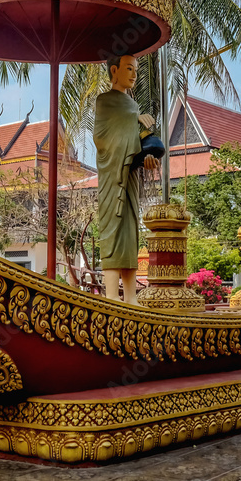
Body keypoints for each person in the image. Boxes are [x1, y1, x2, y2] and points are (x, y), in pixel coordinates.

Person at [93, 54, 160, 304]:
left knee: (130, 233)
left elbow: (135, 144)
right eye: (129, 68)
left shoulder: (131, 105)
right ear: (114, 70)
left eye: (136, 69)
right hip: (112, 176)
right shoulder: (105, 101)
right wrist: (134, 121)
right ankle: (111, 296)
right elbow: (101, 138)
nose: (134, 74)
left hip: (128, 175)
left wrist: (145, 159)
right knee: (112, 231)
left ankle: (131, 297)